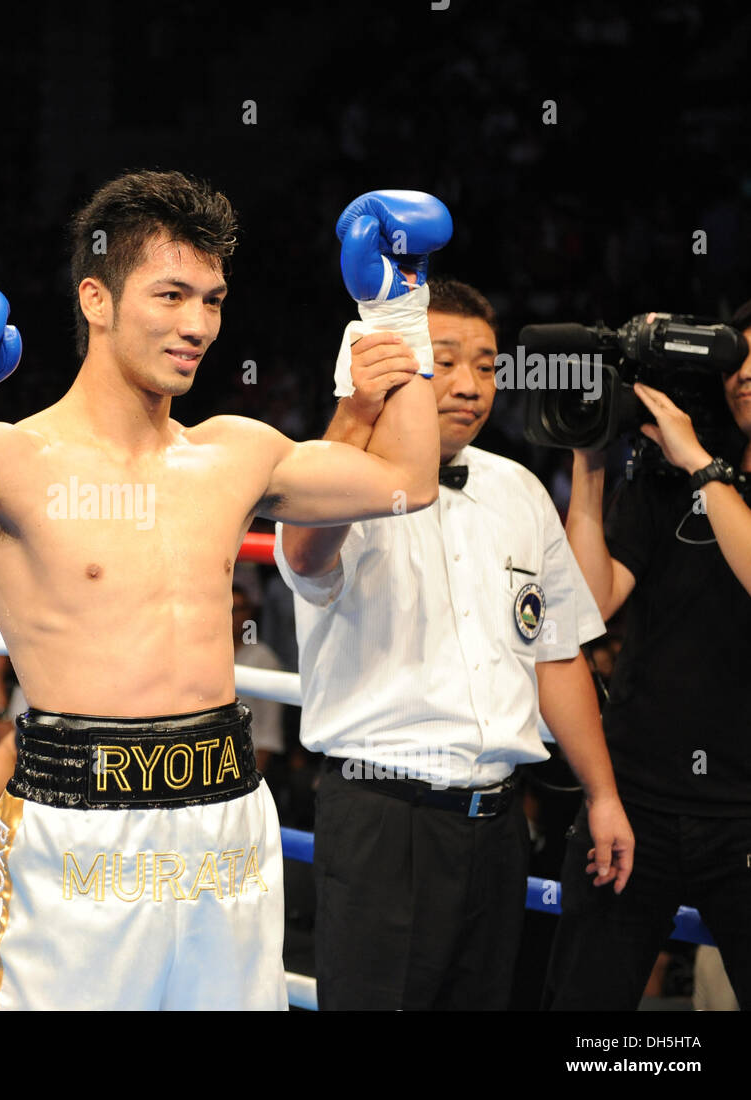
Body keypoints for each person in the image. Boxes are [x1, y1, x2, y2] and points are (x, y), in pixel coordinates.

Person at [0, 172, 444, 1010]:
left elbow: (407, 477)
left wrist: (397, 314)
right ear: (96, 299)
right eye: (171, 294)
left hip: (225, 820)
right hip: (77, 832)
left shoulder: (233, 451)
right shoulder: (2, 458)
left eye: (213, 300)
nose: (198, 325)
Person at [277, 278, 635, 1010]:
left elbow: (557, 653)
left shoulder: (520, 491)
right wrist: (353, 415)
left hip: (499, 826)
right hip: (384, 823)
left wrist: (602, 794)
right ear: (400, 365)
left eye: (486, 365)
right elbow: (307, 558)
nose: (470, 386)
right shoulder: (344, 479)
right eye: (443, 363)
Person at [543, 299, 751, 1010]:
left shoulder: (695, 467)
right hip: (635, 803)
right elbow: (589, 604)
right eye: (740, 356)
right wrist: (590, 462)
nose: (747, 373)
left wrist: (700, 462)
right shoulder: (667, 478)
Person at [231, 584, 286, 774]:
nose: (232, 617)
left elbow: (270, 730)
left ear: (249, 613)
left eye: (238, 609)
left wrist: (256, 777)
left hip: (249, 760)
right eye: (228, 609)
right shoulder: (200, 656)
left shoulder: (264, 658)